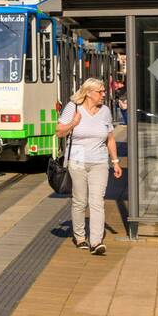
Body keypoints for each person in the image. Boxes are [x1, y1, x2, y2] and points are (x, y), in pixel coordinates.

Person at [57, 77, 122, 255]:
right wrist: (73, 123)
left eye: (103, 91)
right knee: (80, 201)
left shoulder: (105, 111)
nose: (103, 94)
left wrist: (115, 161)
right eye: (100, 92)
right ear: (88, 93)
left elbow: (110, 138)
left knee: (97, 202)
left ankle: (96, 242)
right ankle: (79, 237)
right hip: (77, 161)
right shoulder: (73, 107)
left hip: (99, 162)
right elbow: (59, 132)